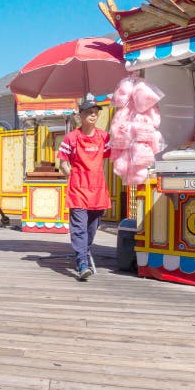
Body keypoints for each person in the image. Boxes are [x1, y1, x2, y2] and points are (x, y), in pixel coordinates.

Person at [57, 99, 112, 281]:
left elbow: (113, 155)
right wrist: (69, 173)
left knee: (92, 228)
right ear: (80, 116)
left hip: (97, 189)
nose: (93, 115)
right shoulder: (71, 138)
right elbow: (63, 162)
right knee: (79, 228)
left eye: (95, 111)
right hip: (78, 188)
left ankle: (84, 252)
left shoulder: (104, 137)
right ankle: (82, 263)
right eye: (89, 112)